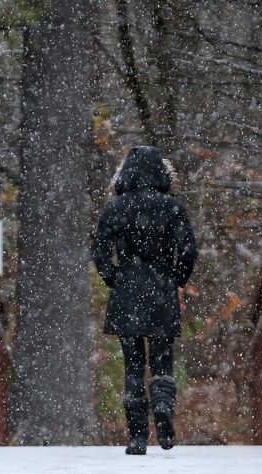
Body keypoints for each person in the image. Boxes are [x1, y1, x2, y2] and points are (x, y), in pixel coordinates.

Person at [91, 145, 198, 455]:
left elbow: (99, 252)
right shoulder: (172, 207)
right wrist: (176, 278)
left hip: (127, 292)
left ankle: (137, 437)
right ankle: (163, 410)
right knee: (162, 360)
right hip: (161, 290)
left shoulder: (115, 208)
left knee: (133, 365)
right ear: (162, 173)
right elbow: (188, 251)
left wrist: (114, 278)